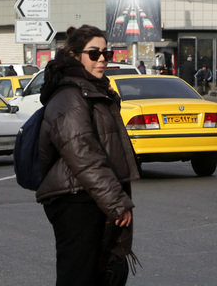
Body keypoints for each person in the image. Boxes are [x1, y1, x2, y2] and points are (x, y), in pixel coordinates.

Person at [36, 25, 140, 285]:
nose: (102, 59)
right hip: (76, 202)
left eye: (107, 53)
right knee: (78, 278)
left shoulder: (92, 90)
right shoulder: (70, 97)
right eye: (94, 54)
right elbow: (85, 156)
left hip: (91, 198)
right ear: (73, 55)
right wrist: (117, 202)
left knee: (105, 273)